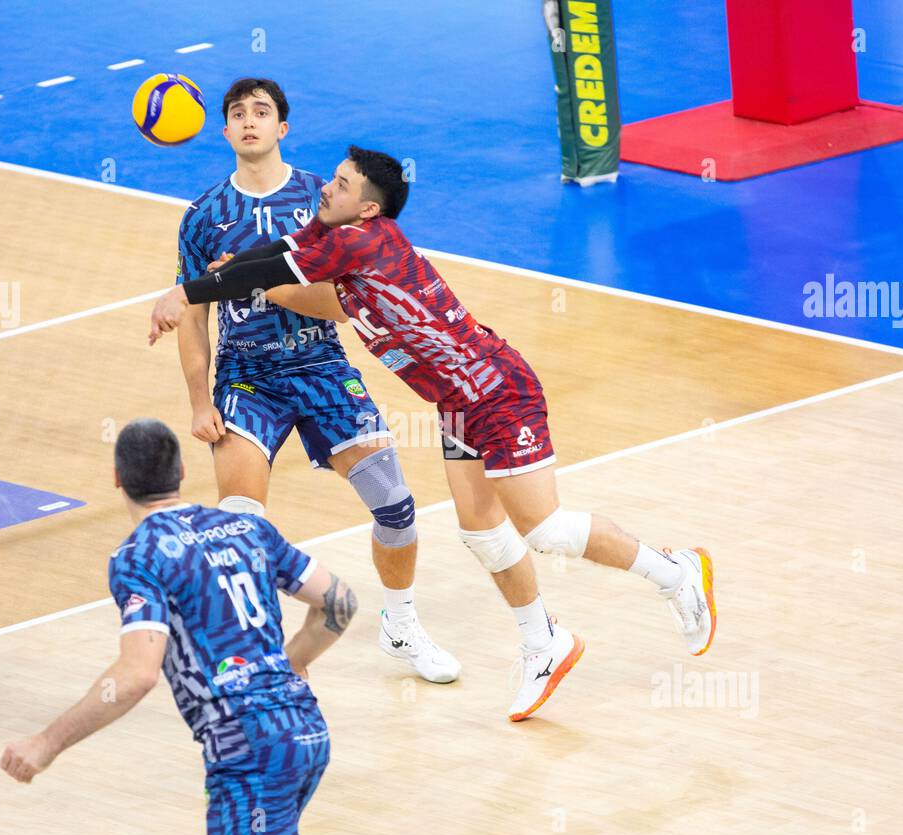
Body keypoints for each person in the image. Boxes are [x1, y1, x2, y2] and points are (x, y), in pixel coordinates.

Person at [148, 146, 717, 723]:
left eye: (340, 185)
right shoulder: (331, 237)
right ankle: (543, 643)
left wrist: (187, 292)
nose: (326, 188)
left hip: (496, 391)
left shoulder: (361, 242)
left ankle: (674, 573)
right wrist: (218, 273)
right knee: (483, 533)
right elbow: (272, 256)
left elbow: (268, 273)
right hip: (457, 401)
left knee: (545, 529)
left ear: (368, 209)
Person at [166, 77, 457, 684]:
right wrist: (197, 402)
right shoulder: (202, 217)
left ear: (282, 127)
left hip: (321, 365)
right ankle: (254, 651)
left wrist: (252, 279)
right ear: (225, 130)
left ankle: (401, 625)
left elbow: (340, 304)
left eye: (261, 111)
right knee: (241, 523)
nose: (249, 121)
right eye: (238, 113)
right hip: (246, 377)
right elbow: (194, 317)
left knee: (396, 506)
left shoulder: (321, 199)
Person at [0, 418, 355, 835]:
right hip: (306, 729)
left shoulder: (139, 556)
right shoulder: (247, 528)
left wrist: (45, 744)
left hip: (247, 748)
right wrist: (288, 663)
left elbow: (137, 675)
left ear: (117, 479)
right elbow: (340, 603)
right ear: (182, 471)